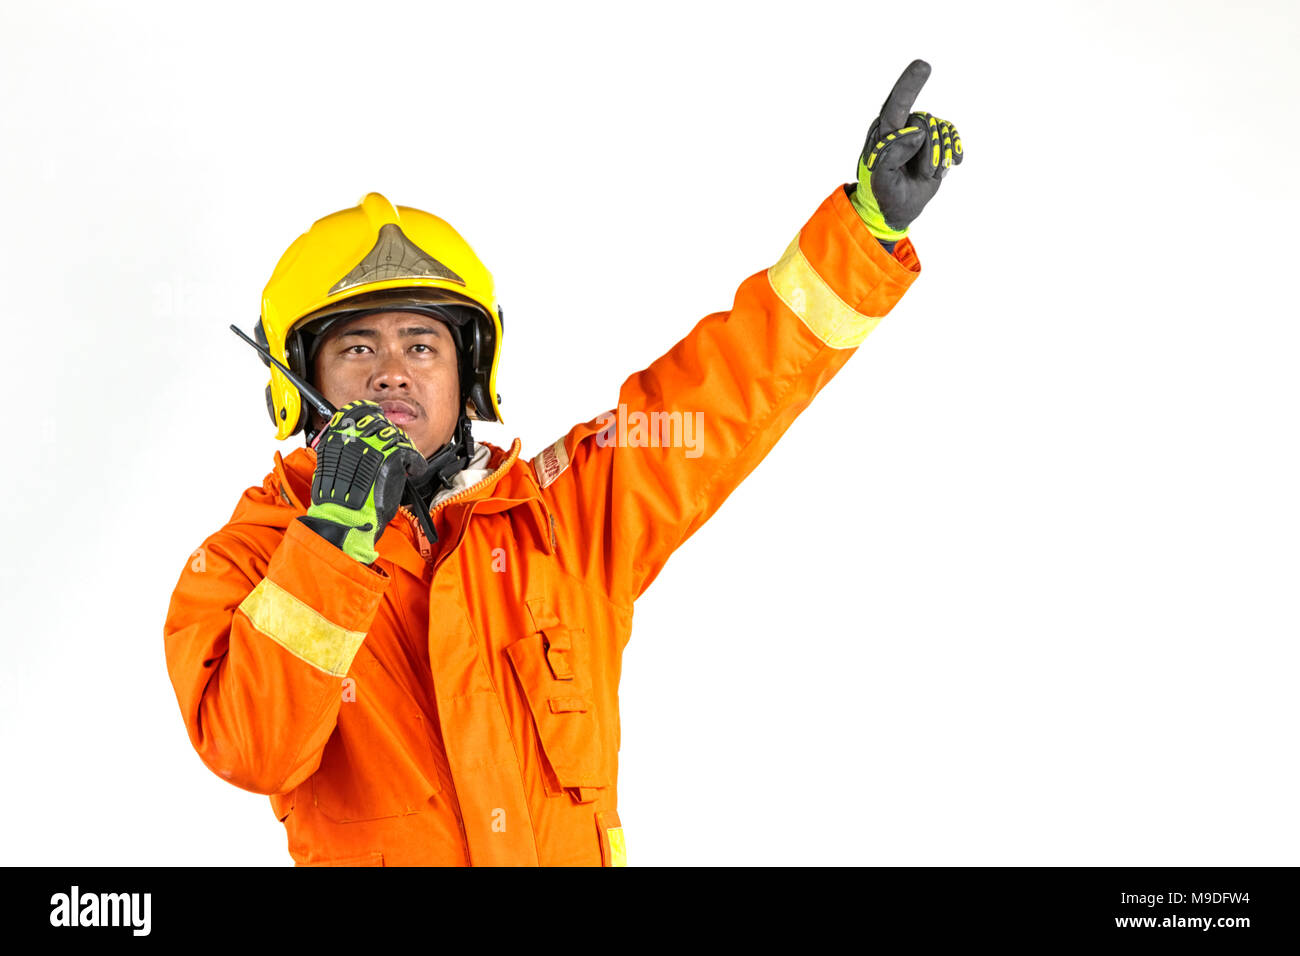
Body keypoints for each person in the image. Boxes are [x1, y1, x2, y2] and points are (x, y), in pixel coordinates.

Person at [163, 59, 962, 866]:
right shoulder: (249, 563)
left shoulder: (567, 515)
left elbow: (726, 397)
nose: (393, 369)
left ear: (469, 373)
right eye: (358, 346)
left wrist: (864, 234)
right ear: (299, 383)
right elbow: (252, 749)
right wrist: (330, 541)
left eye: (422, 344)